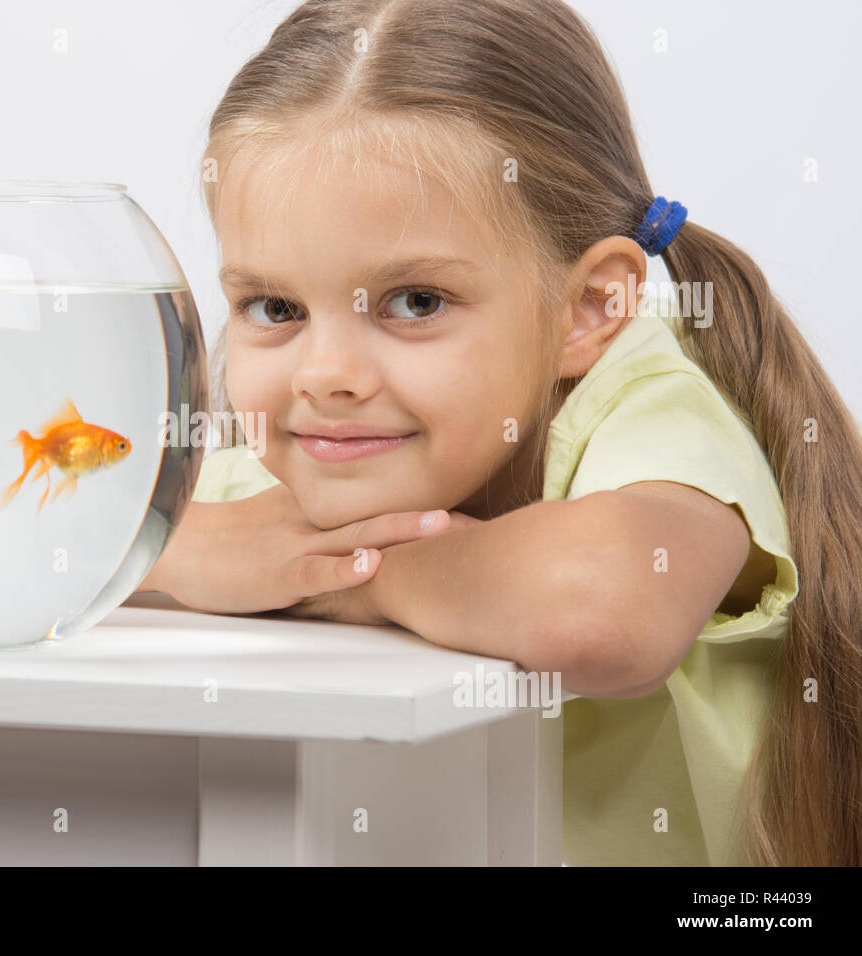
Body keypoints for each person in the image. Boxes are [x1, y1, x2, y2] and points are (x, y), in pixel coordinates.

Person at [137, 0, 862, 866]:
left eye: (415, 302)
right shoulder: (301, 477)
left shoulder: (646, 403)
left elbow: (604, 609)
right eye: (274, 307)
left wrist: (348, 575)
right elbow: (27, 539)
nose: (324, 373)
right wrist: (184, 551)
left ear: (589, 308)